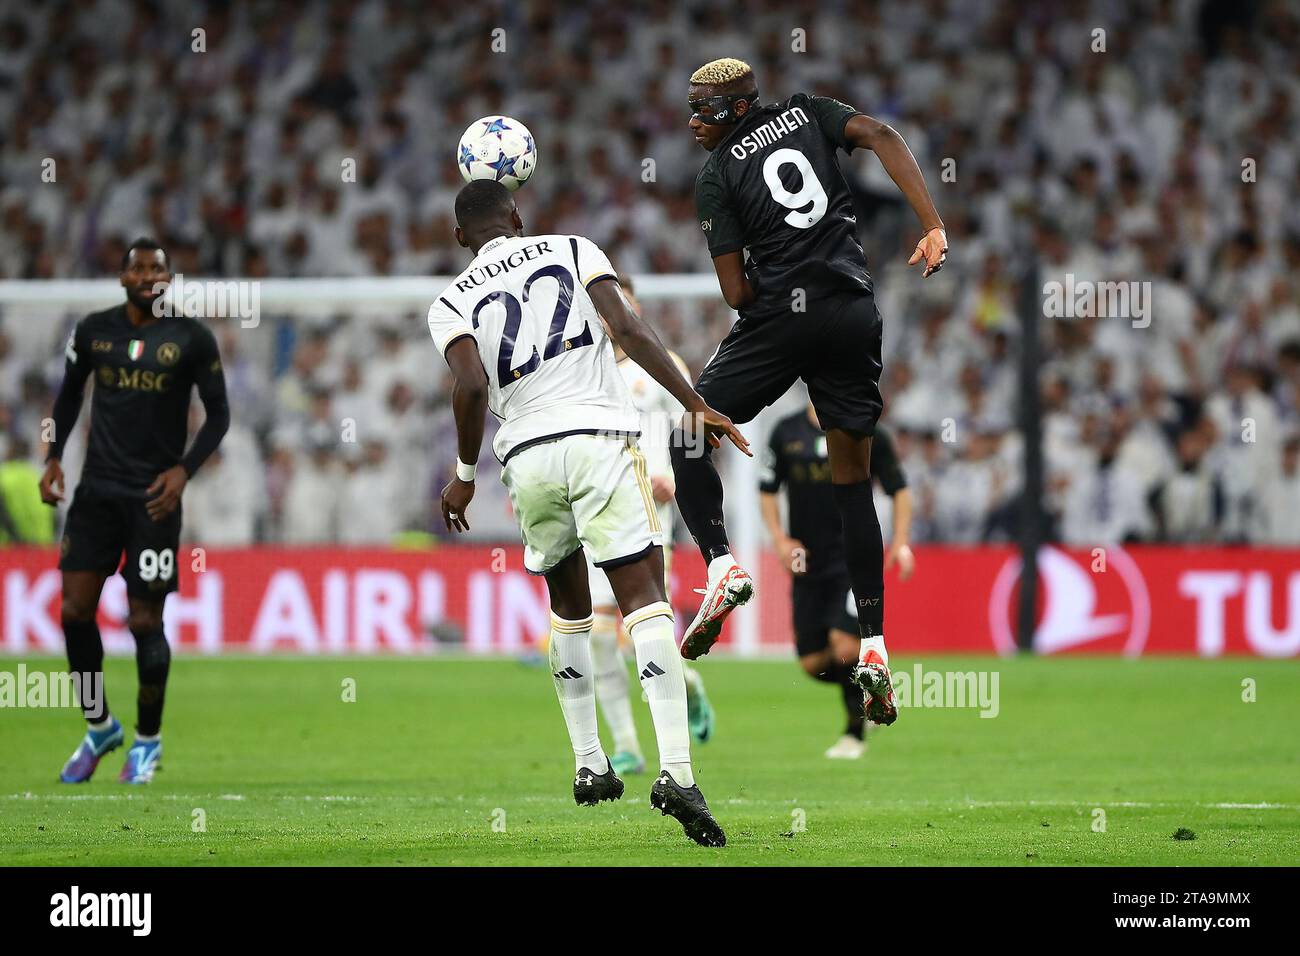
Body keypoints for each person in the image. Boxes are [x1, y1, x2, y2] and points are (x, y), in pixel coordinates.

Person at [427, 180, 748, 846]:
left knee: (569, 605)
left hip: (527, 452)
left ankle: (588, 762)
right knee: (644, 599)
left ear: (461, 238)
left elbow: (471, 385)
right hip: (600, 436)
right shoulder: (574, 248)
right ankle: (678, 775)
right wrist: (691, 400)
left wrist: (462, 475)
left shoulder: (451, 299)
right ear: (517, 216)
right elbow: (627, 326)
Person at [668, 58, 946, 727]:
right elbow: (880, 133)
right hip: (852, 309)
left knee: (687, 432)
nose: (691, 123)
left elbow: (735, 293)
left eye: (702, 111)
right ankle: (876, 648)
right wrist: (931, 223)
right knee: (853, 482)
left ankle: (722, 567)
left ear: (733, 110)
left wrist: (782, 299)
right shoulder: (811, 110)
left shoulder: (716, 177)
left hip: (782, 318)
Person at [40, 238, 230, 784]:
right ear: (122, 277)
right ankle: (99, 725)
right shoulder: (93, 330)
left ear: (170, 279)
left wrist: (183, 471)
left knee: (144, 619)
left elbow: (218, 416)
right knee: (74, 611)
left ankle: (147, 741)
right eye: (138, 268)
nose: (148, 276)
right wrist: (53, 457)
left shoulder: (192, 338)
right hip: (96, 492)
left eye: (158, 269)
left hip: (154, 498)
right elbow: (68, 397)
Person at [585, 272, 715, 777]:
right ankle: (627, 746)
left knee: (639, 628)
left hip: (648, 503)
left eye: (627, 305)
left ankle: (688, 686)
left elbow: (692, 423)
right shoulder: (583, 370)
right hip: (593, 504)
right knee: (598, 632)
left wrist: (674, 476)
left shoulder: (658, 364)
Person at [761, 404, 914, 758]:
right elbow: (767, 488)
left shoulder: (867, 430)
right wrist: (780, 540)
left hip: (853, 559)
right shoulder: (786, 431)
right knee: (813, 662)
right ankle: (874, 687)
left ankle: (854, 733)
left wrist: (902, 542)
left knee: (845, 648)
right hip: (808, 563)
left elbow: (899, 489)